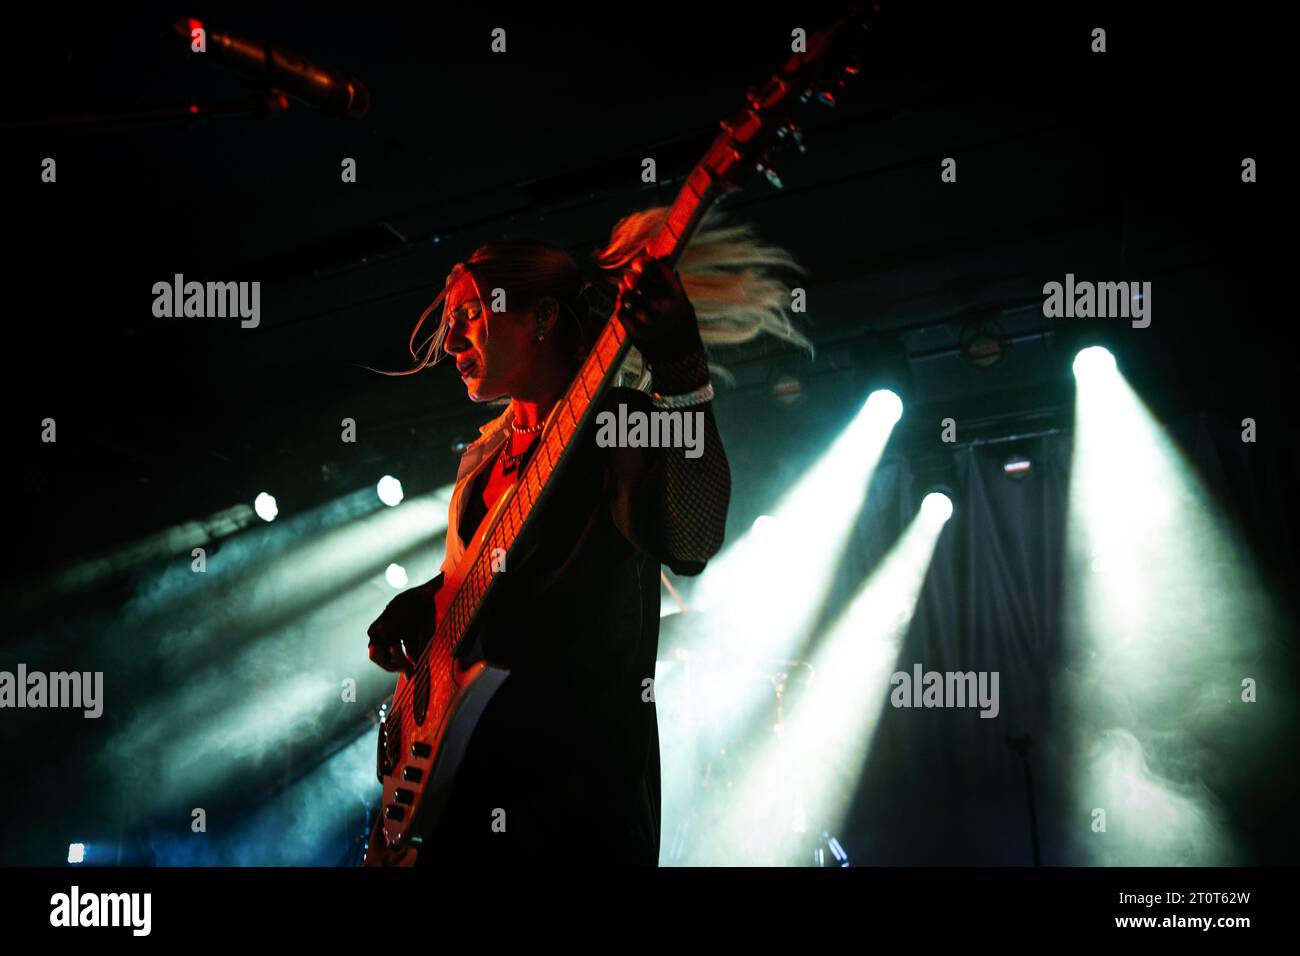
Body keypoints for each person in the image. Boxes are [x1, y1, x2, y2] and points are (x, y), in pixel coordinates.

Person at [366, 204, 810, 865]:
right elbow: (497, 580)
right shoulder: (480, 459)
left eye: (470, 318)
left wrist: (680, 366)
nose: (453, 342)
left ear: (541, 318)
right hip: (461, 807)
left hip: (572, 814)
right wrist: (428, 602)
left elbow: (689, 540)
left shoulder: (621, 422)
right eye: (452, 325)